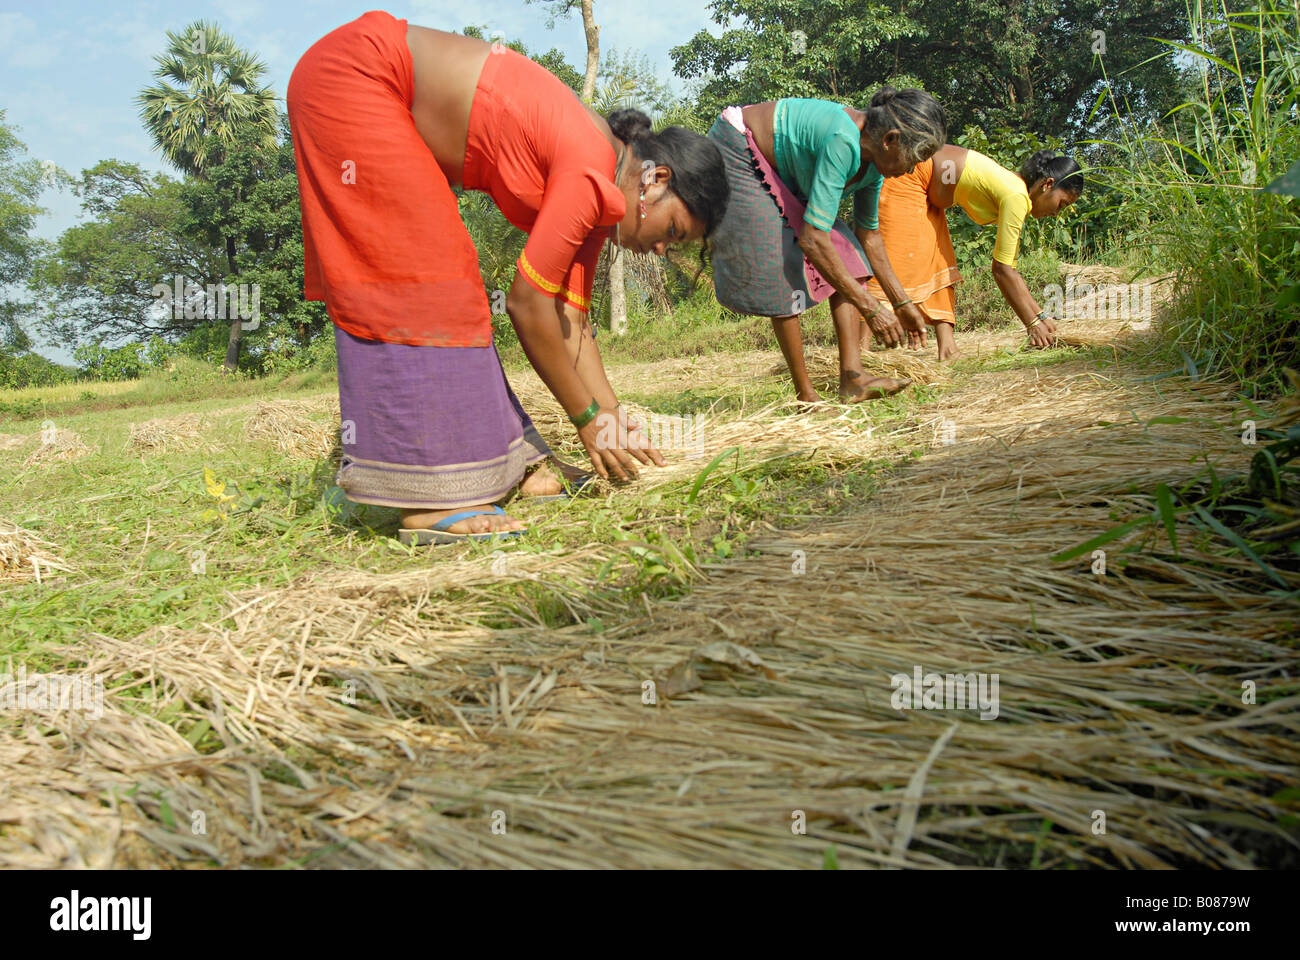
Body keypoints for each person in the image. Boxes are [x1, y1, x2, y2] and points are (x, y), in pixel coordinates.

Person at [287, 12, 729, 545]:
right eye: (673, 232)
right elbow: (527, 305)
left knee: (457, 283)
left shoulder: (604, 188)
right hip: (354, 76)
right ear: (656, 180)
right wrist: (586, 419)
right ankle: (431, 504)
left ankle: (519, 468)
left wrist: (612, 419)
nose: (659, 250)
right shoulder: (591, 170)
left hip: (367, 79)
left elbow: (571, 318)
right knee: (429, 274)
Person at [706, 88, 947, 403]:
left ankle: (853, 379)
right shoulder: (842, 141)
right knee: (782, 266)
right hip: (738, 147)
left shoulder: (874, 162)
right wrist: (869, 307)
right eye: (914, 158)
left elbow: (869, 236)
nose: (913, 170)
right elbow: (812, 239)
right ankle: (805, 395)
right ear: (890, 139)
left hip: (782, 170)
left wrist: (901, 303)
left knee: (849, 256)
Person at [865, 147, 1084, 360]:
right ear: (1047, 185)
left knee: (939, 261)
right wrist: (1033, 324)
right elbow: (1001, 270)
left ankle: (949, 351)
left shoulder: (1016, 189)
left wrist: (1042, 317)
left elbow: (1011, 272)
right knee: (895, 263)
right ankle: (858, 357)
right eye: (1061, 204)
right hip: (908, 176)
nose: (1056, 213)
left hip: (927, 188)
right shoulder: (1016, 196)